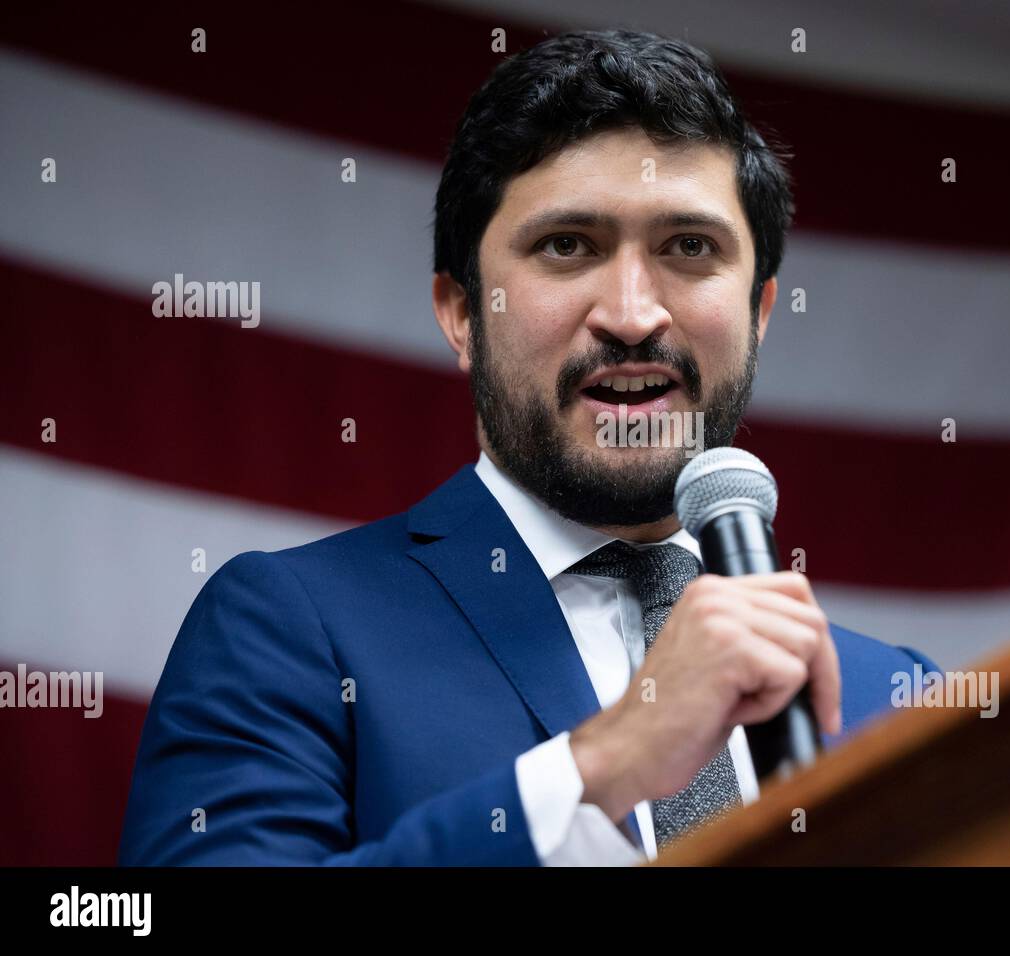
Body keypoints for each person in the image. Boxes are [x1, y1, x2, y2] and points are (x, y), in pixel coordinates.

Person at [118, 29, 939, 867]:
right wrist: (602, 767)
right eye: (568, 246)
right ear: (463, 312)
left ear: (760, 311)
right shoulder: (289, 629)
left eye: (689, 247)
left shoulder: (903, 700)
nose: (631, 314)